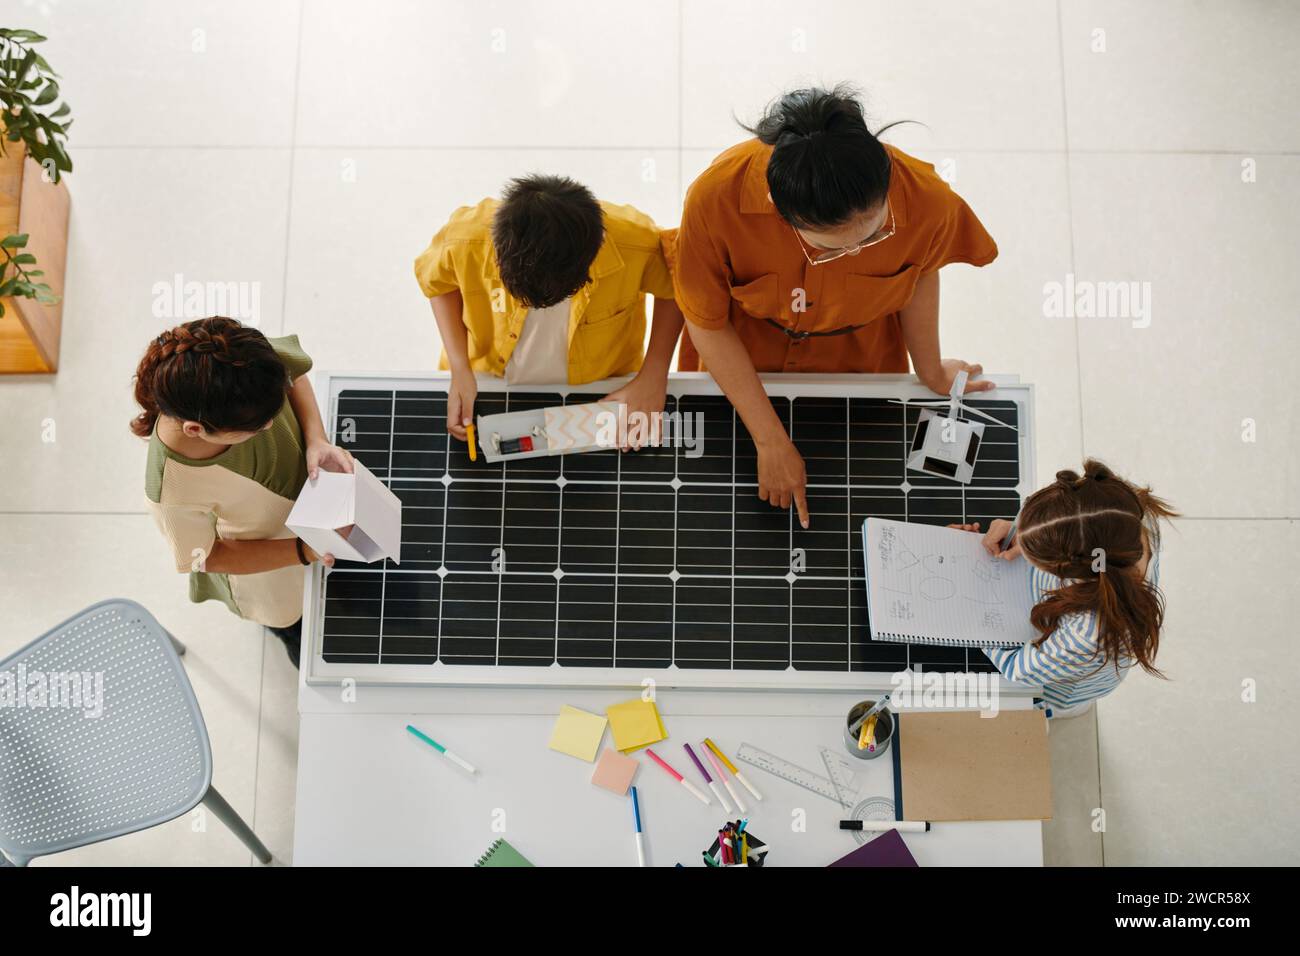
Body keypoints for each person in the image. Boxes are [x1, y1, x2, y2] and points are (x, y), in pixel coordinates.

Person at [667, 85, 998, 525]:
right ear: (781, 213)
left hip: (862, 356)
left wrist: (931, 369)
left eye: (875, 233)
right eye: (833, 249)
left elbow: (919, 273)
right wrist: (769, 442)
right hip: (744, 356)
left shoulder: (927, 199)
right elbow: (706, 322)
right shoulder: (715, 198)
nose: (861, 251)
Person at [131, 317, 352, 666]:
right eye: (257, 427)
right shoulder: (170, 489)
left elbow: (292, 376)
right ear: (195, 429)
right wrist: (303, 549)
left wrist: (316, 438)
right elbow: (207, 558)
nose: (270, 424)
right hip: (270, 570)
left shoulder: (235, 357)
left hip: (310, 517)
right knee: (300, 631)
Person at [415, 173, 683, 449]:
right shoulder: (463, 240)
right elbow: (437, 284)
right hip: (488, 379)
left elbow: (676, 288)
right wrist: (459, 368)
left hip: (603, 386)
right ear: (497, 253)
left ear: (594, 254)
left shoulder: (636, 241)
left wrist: (654, 373)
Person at [950, 460, 1178, 717]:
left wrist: (973, 604)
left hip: (1060, 688)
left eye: (1037, 557)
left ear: (1069, 569)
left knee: (1056, 703)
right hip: (1053, 621)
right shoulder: (1128, 512)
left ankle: (1069, 712)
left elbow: (1019, 669)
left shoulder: (1087, 635)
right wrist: (1022, 531)